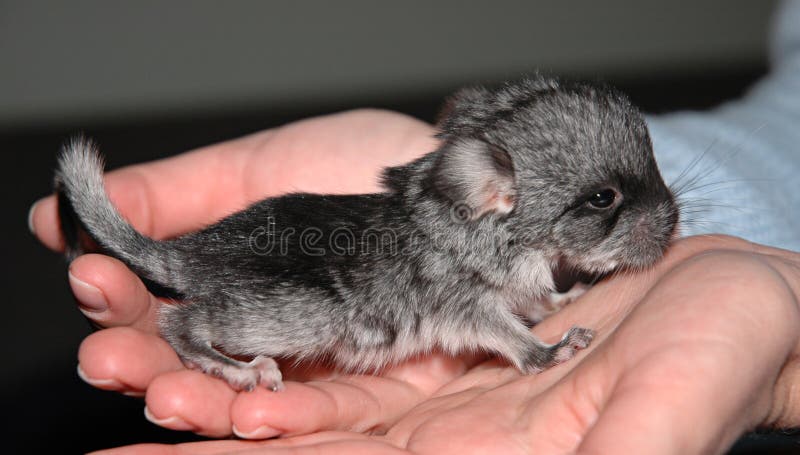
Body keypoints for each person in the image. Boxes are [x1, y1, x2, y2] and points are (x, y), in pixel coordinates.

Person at [28, 1, 800, 454]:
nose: (654, 217)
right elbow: (470, 309)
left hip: (304, 235)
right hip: (316, 272)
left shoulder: (495, 213)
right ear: (491, 194)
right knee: (311, 315)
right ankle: (197, 330)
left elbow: (530, 275)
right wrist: (532, 350)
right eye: (605, 201)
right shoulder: (459, 243)